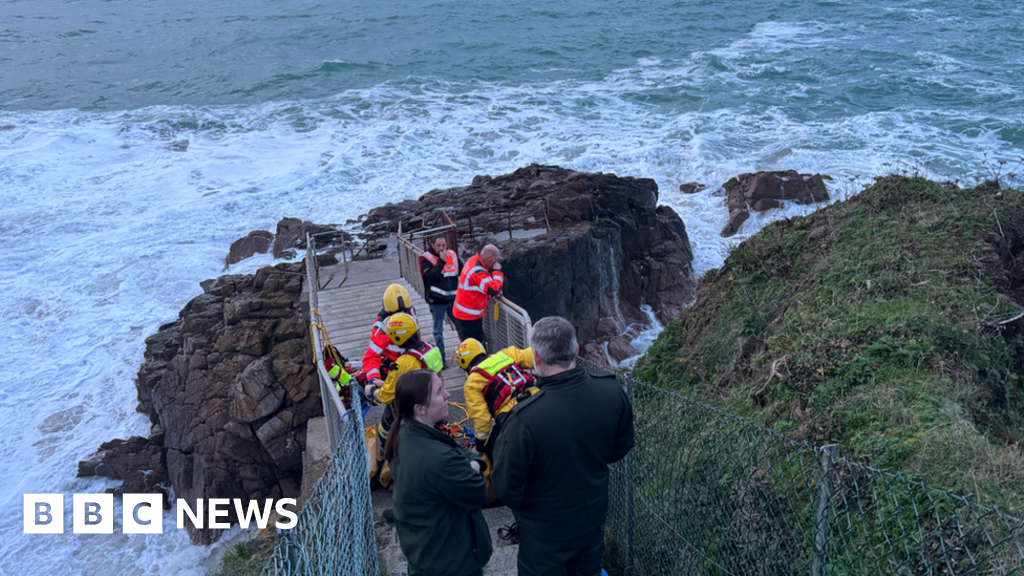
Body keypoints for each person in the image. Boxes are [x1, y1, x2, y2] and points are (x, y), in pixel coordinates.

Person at [492, 316, 634, 576]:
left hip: (543, 530)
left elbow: (505, 487)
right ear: (576, 349)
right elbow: (620, 447)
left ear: (535, 357)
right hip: (591, 519)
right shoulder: (611, 392)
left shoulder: (524, 418)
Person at [385, 370, 493, 576]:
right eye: (439, 391)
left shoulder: (404, 431)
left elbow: (451, 446)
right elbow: (478, 492)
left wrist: (466, 462)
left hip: (427, 552)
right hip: (452, 562)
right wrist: (475, 463)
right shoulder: (437, 458)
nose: (448, 395)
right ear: (420, 408)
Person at [365, 312, 444, 454]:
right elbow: (415, 377)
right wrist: (385, 383)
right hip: (435, 401)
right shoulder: (430, 349)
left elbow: (386, 396)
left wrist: (371, 390)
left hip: (417, 412)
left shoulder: (403, 363)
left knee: (386, 425)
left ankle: (388, 453)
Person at [455, 338, 536, 458]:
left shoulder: (471, 383)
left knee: (489, 458)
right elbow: (534, 357)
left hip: (511, 417)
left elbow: (482, 419)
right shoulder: (506, 354)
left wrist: (481, 446)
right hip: (535, 396)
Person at [419, 234, 462, 366]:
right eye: (439, 246)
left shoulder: (453, 255)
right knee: (438, 331)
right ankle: (441, 360)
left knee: (461, 327)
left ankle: (467, 355)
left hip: (452, 298)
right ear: (433, 246)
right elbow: (431, 277)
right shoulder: (425, 258)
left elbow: (464, 270)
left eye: (444, 245)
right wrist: (441, 261)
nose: (442, 249)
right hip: (437, 301)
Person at [362, 283, 416, 382]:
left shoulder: (411, 315)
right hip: (393, 374)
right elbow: (371, 357)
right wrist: (374, 380)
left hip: (411, 367)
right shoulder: (382, 329)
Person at [453, 244, 503, 347]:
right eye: (495, 260)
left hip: (465, 312)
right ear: (489, 258)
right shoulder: (478, 270)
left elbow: (479, 286)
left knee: (471, 345)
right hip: (468, 316)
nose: (495, 263)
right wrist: (496, 271)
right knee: (474, 347)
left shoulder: (473, 260)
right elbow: (493, 289)